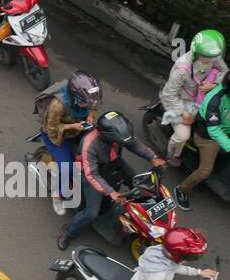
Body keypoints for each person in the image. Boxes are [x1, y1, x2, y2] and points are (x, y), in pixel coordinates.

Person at [56, 110, 164, 250]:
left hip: (114, 163)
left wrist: (153, 158)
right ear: (107, 136)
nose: (120, 143)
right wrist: (111, 192)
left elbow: (133, 144)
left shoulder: (119, 136)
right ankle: (69, 231)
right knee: (91, 213)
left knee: (141, 186)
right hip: (93, 174)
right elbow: (91, 174)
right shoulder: (90, 144)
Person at [159, 29, 225, 185]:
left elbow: (224, 70)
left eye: (214, 57)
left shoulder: (213, 56)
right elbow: (169, 95)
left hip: (203, 99)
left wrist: (213, 84)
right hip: (181, 102)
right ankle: (171, 154)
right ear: (196, 51)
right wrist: (184, 114)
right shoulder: (182, 69)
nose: (211, 60)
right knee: (182, 135)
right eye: (206, 57)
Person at [36, 71, 101, 198]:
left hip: (78, 128)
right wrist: (72, 126)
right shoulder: (58, 105)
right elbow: (51, 128)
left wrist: (91, 114)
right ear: (74, 97)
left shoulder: (90, 96)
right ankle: (58, 190)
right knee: (68, 167)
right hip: (57, 135)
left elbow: (95, 104)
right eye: (85, 103)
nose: (88, 104)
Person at [178, 70, 230, 202]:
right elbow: (214, 130)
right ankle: (182, 188)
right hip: (209, 137)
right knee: (205, 171)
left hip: (225, 131)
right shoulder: (215, 100)